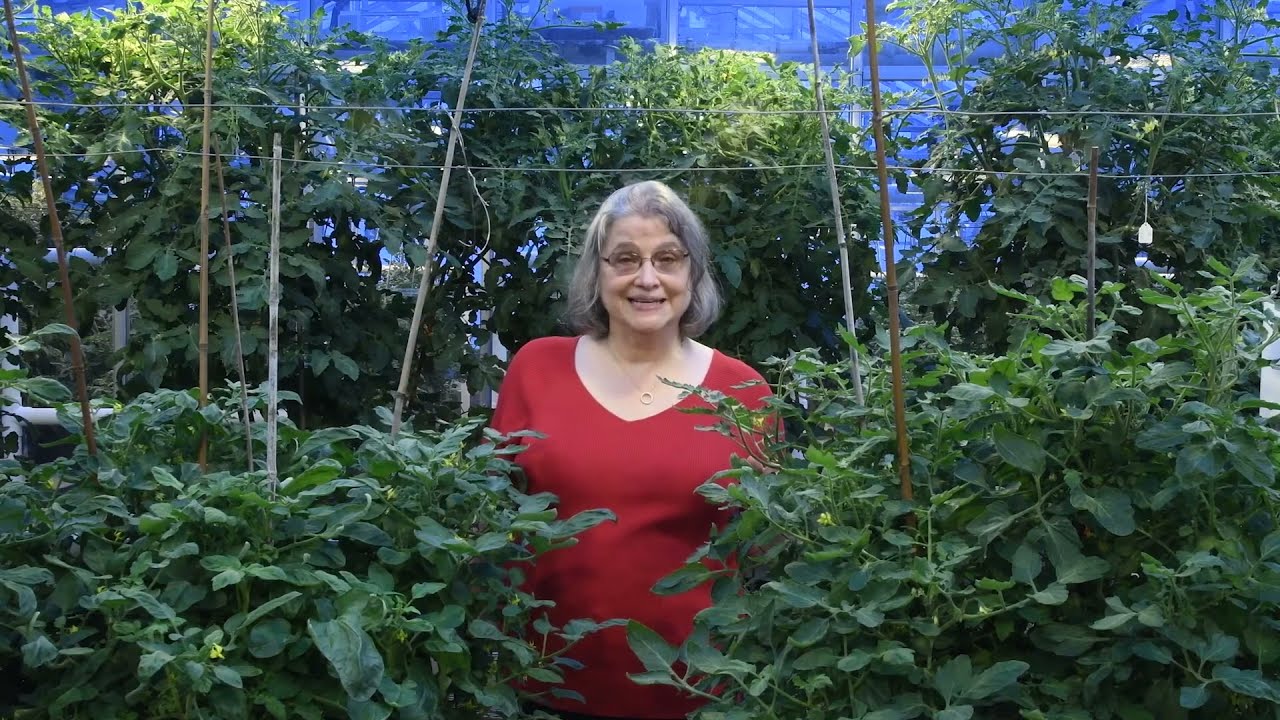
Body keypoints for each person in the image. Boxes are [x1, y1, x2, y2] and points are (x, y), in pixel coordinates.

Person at [490, 180, 774, 720]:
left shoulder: (742, 391)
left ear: (693, 271)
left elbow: (764, 546)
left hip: (699, 690)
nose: (647, 279)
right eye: (624, 259)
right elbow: (489, 509)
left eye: (667, 258)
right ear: (597, 273)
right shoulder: (536, 369)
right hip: (546, 681)